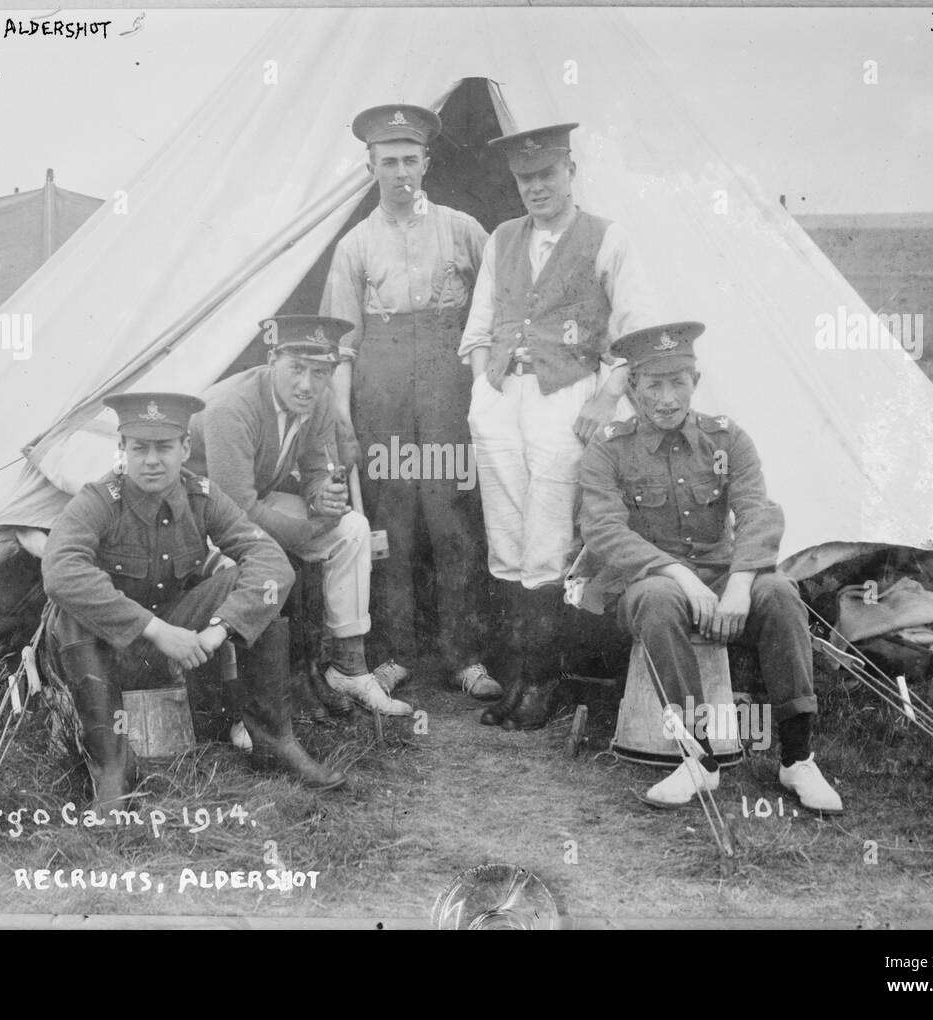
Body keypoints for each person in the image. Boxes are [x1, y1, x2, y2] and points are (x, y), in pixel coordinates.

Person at [578, 322, 843, 813]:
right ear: (632, 387)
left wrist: (741, 583)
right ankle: (698, 759)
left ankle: (798, 757)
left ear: (695, 382)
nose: (666, 398)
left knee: (781, 592)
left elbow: (758, 512)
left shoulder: (727, 439)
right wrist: (678, 575)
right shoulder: (608, 449)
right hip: (649, 580)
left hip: (724, 574)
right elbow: (605, 532)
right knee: (659, 600)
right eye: (653, 384)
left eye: (677, 382)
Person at [41, 392, 347, 813]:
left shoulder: (202, 496)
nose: (152, 460)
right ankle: (112, 765)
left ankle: (273, 739)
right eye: (140, 448)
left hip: (175, 649)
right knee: (70, 610)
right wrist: (158, 631)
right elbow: (60, 571)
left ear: (185, 448)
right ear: (122, 450)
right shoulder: (98, 500)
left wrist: (218, 629)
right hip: (105, 655)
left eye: (164, 448)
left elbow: (271, 561)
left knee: (261, 585)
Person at [459, 122, 657, 730]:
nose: (536, 187)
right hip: (501, 396)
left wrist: (605, 396)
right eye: (525, 178)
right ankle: (517, 679)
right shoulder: (502, 237)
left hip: (563, 395)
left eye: (547, 174)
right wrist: (480, 391)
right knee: (507, 536)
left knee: (548, 535)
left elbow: (636, 329)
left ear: (570, 170)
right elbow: (480, 324)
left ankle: (542, 684)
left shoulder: (607, 237)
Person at [319, 104, 501, 702]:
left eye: (410, 160)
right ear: (369, 166)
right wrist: (343, 417)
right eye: (387, 161)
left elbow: (496, 309)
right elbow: (341, 345)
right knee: (390, 520)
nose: (400, 172)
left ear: (427, 162)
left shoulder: (465, 229)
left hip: (449, 385)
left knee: (452, 516)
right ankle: (395, 654)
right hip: (384, 390)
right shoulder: (354, 246)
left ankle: (464, 655)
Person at [188, 315, 412, 717]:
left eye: (320, 372)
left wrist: (322, 495)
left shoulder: (319, 399)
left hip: (250, 502)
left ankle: (348, 668)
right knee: (253, 564)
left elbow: (315, 472)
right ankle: (245, 705)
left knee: (352, 528)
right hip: (200, 517)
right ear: (273, 360)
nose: (307, 384)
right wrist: (309, 530)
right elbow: (236, 508)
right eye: (297, 369)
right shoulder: (231, 407)